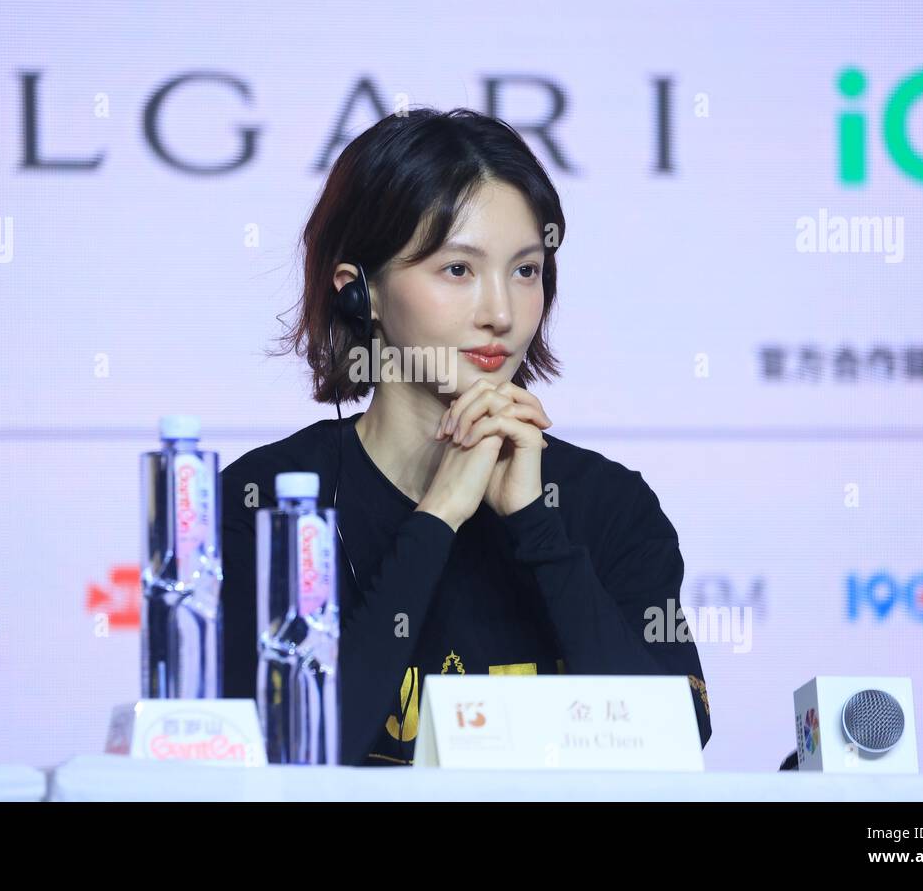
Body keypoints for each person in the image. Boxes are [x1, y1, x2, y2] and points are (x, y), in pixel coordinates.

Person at [220, 107, 711, 766]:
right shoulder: (268, 501)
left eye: (526, 271)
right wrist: (438, 516)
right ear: (358, 293)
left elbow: (671, 747)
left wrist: (539, 530)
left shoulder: (609, 504)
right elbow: (282, 754)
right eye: (457, 270)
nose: (501, 313)